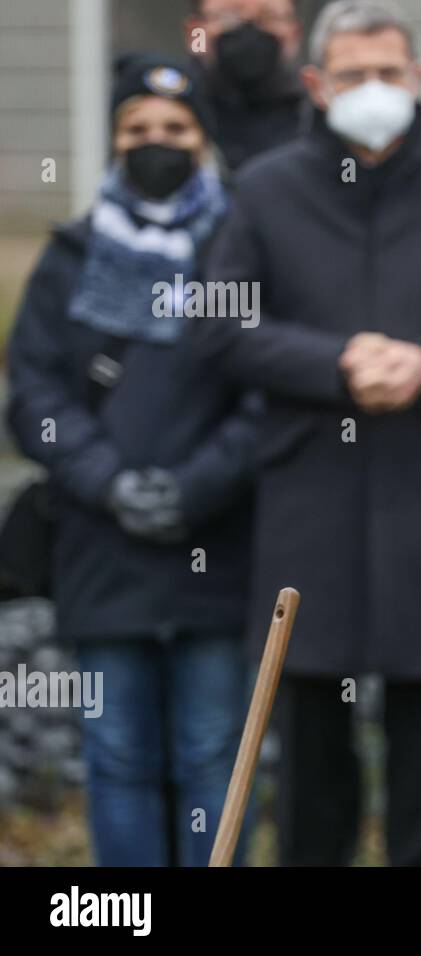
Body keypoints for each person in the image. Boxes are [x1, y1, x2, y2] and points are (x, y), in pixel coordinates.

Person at [191, 0, 421, 866]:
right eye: (353, 75)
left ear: (418, 80)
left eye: (389, 73)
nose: (374, 90)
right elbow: (220, 324)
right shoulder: (264, 192)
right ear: (314, 84)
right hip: (311, 512)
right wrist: (336, 362)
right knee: (311, 779)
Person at [6, 54, 257, 866]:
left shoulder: (242, 253)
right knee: (116, 759)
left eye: (175, 129)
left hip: (216, 548)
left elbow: (267, 392)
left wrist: (195, 486)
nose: (156, 143)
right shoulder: (70, 256)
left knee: (213, 754)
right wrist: (109, 482)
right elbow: (35, 392)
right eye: (136, 129)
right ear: (112, 141)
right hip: (100, 551)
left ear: (204, 140)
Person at [186, 0, 307, 171]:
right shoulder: (164, 113)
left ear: (295, 33)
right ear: (194, 32)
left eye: (269, 17)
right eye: (228, 16)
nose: (248, 28)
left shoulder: (322, 118)